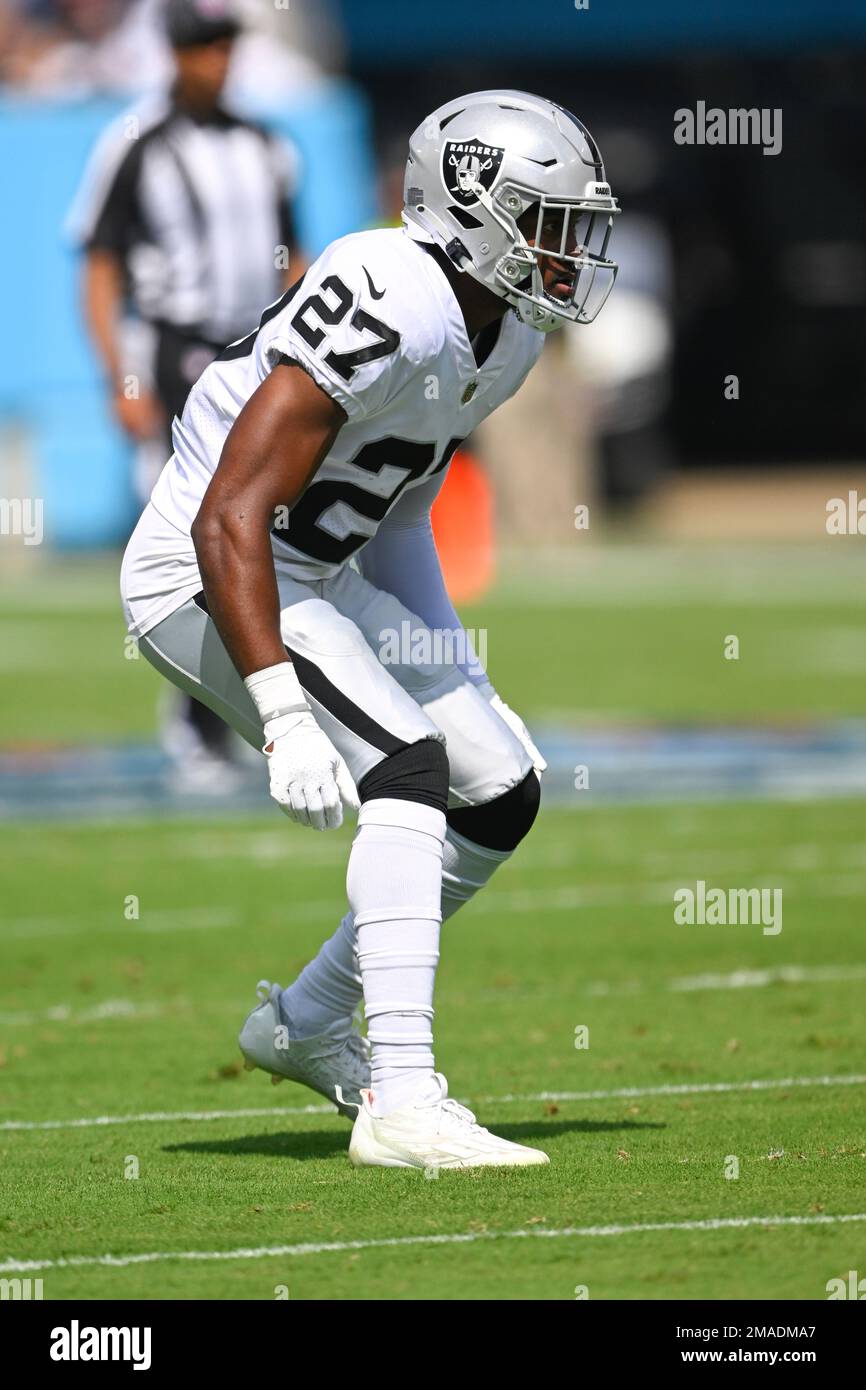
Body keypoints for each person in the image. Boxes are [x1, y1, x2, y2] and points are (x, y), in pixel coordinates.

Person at [120, 89, 620, 1169]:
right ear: (473, 210)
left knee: (498, 786)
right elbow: (226, 514)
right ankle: (400, 1097)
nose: (566, 252)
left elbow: (395, 513)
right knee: (406, 770)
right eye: (548, 223)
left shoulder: (507, 338)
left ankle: (306, 1020)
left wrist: (440, 660)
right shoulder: (385, 289)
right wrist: (281, 713)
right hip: (204, 570)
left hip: (314, 569)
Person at [70, 0, 303, 785]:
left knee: (265, 526)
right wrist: (119, 374)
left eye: (225, 45)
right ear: (173, 54)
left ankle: (252, 707)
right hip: (173, 355)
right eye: (203, 47)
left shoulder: (265, 145)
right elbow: (100, 266)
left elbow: (292, 260)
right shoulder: (137, 145)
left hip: (255, 355)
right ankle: (196, 724)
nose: (217, 61)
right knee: (194, 535)